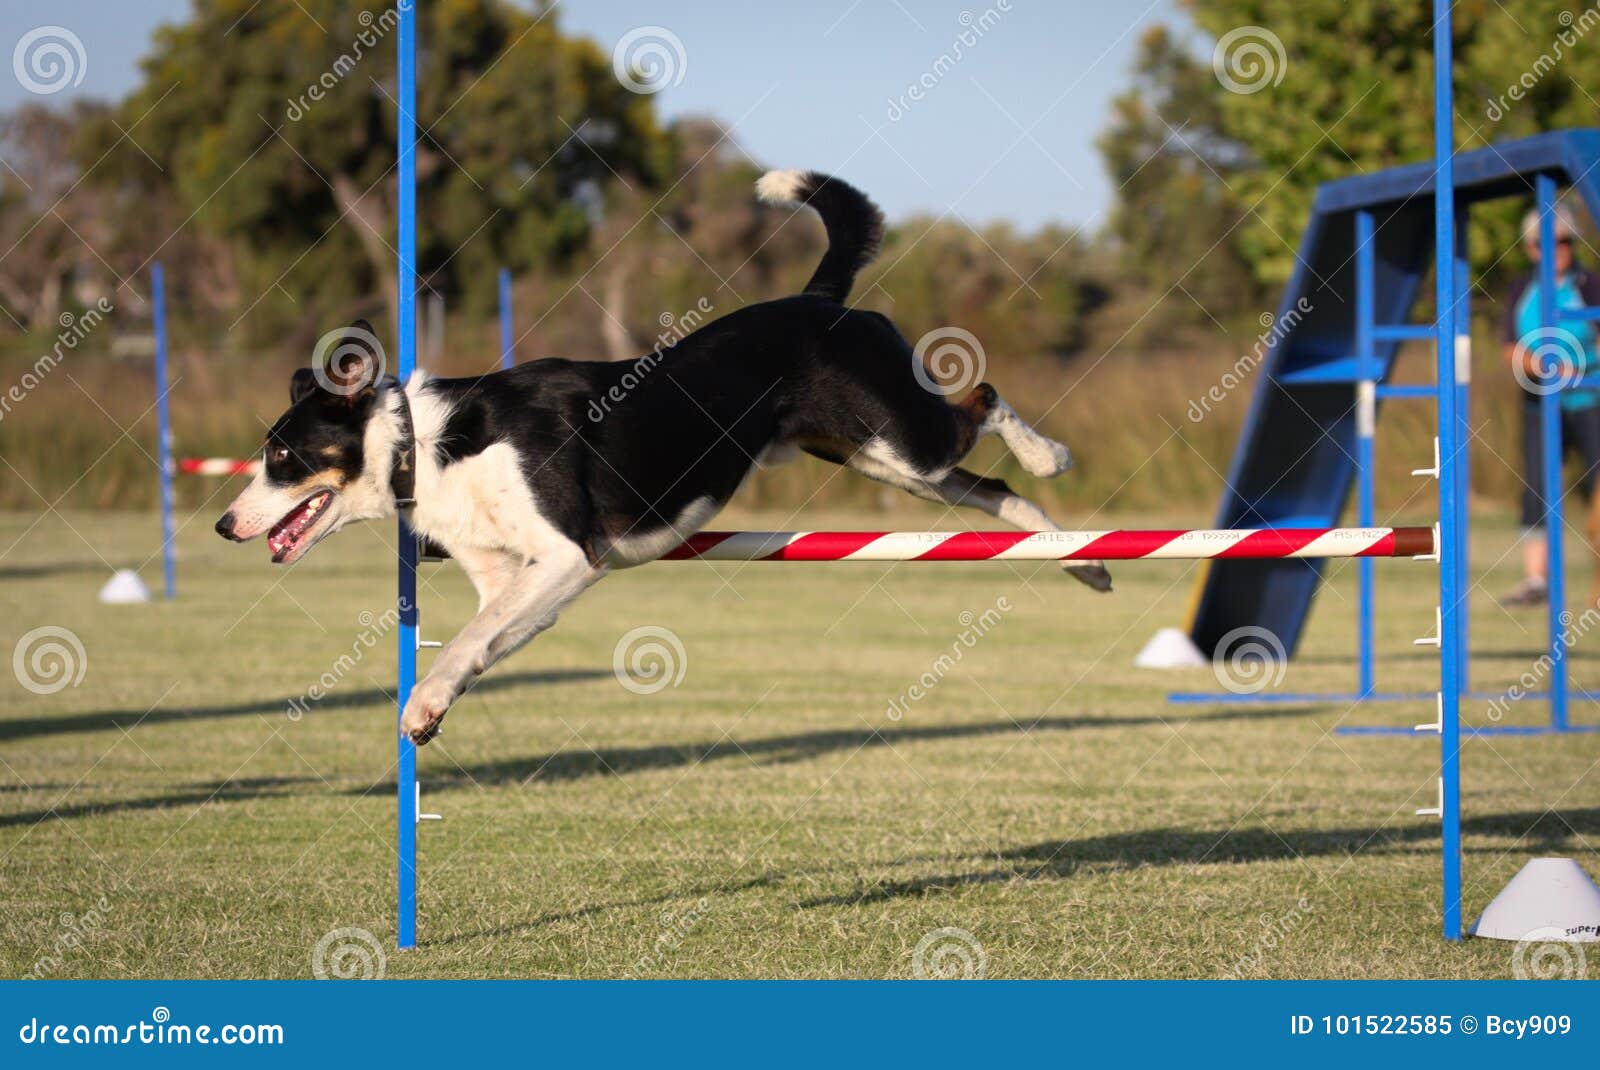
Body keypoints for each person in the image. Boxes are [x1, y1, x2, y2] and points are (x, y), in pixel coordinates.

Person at [1501, 203, 1600, 607]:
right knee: (1538, 487)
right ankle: (1535, 581)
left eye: (1565, 241)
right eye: (1548, 243)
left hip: (1591, 399)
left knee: (1599, 493)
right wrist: (1541, 363)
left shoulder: (1590, 284)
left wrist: (1580, 365)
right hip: (1540, 403)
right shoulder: (1521, 290)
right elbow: (1509, 347)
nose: (1558, 248)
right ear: (1530, 248)